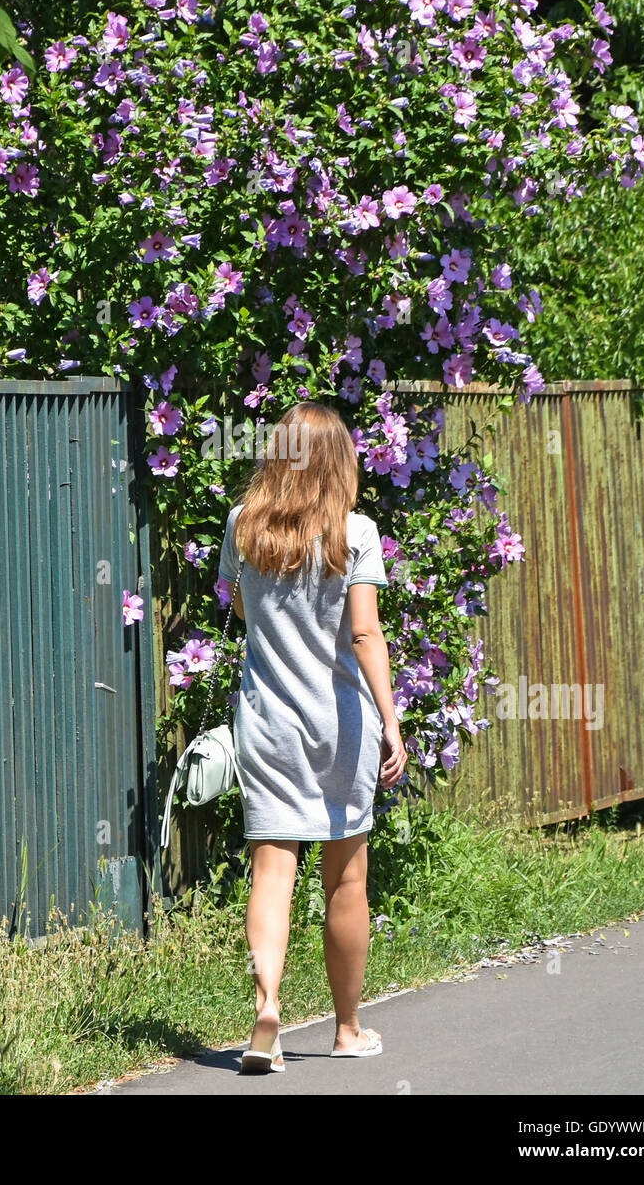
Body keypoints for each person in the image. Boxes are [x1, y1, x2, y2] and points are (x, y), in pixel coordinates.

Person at [217, 401, 407, 1075]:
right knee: (344, 878)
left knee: (272, 872)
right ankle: (348, 1029)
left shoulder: (243, 526)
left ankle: (267, 1007)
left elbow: (237, 606)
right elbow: (363, 633)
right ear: (340, 463)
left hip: (266, 723)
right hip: (338, 726)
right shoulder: (356, 533)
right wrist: (391, 720)